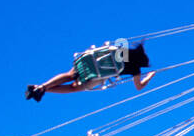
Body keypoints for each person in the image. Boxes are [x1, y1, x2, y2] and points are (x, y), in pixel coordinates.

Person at [26, 42, 155, 100]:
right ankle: (44, 90)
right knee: (73, 88)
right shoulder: (135, 69)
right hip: (97, 75)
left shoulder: (123, 50)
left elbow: (109, 46)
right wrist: (148, 77)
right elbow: (138, 87)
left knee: (70, 74)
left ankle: (42, 86)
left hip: (90, 61)